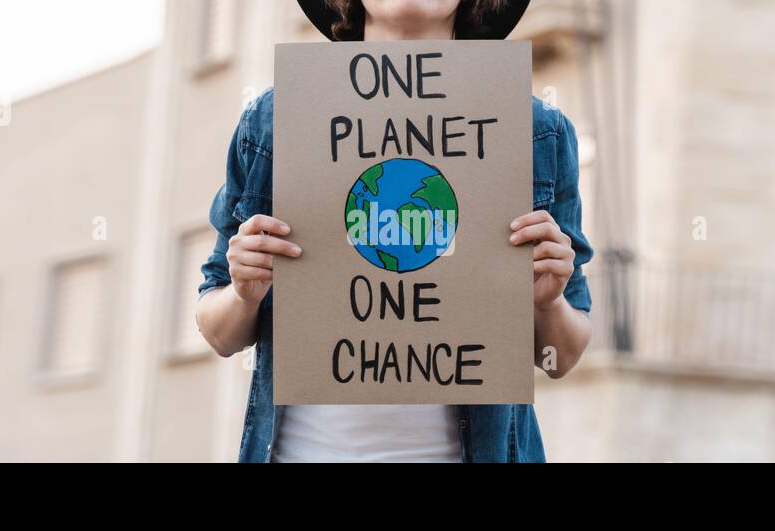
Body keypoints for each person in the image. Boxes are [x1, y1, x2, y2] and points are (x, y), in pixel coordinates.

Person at [196, 0, 593, 463]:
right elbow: (220, 333)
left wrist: (548, 299)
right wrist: (244, 291)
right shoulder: (273, 119)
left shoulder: (536, 131)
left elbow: (560, 357)